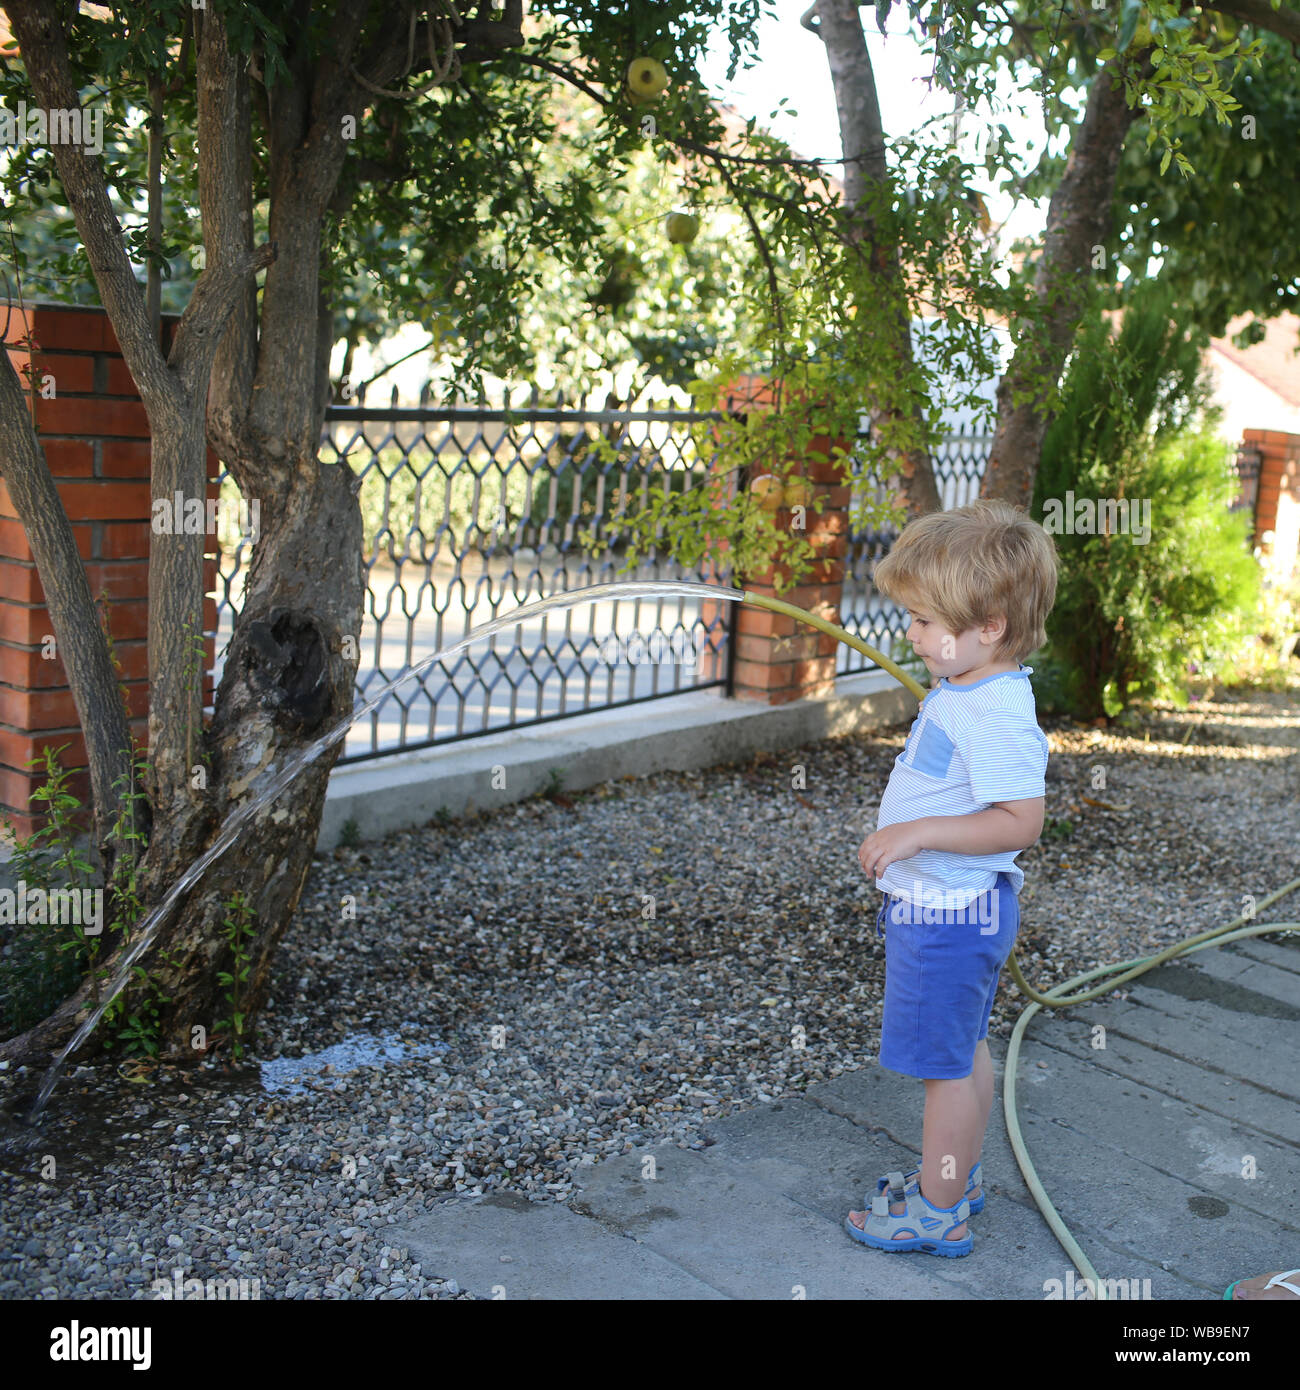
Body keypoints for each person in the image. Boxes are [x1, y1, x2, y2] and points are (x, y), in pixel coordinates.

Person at [844, 498, 1058, 1257]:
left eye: (924, 620)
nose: (911, 633)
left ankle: (937, 1210)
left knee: (943, 1066)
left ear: (989, 627)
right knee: (962, 1049)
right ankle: (954, 1175)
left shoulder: (995, 713)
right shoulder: (969, 685)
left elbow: (1019, 821)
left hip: (946, 918)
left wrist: (919, 831)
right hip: (951, 910)